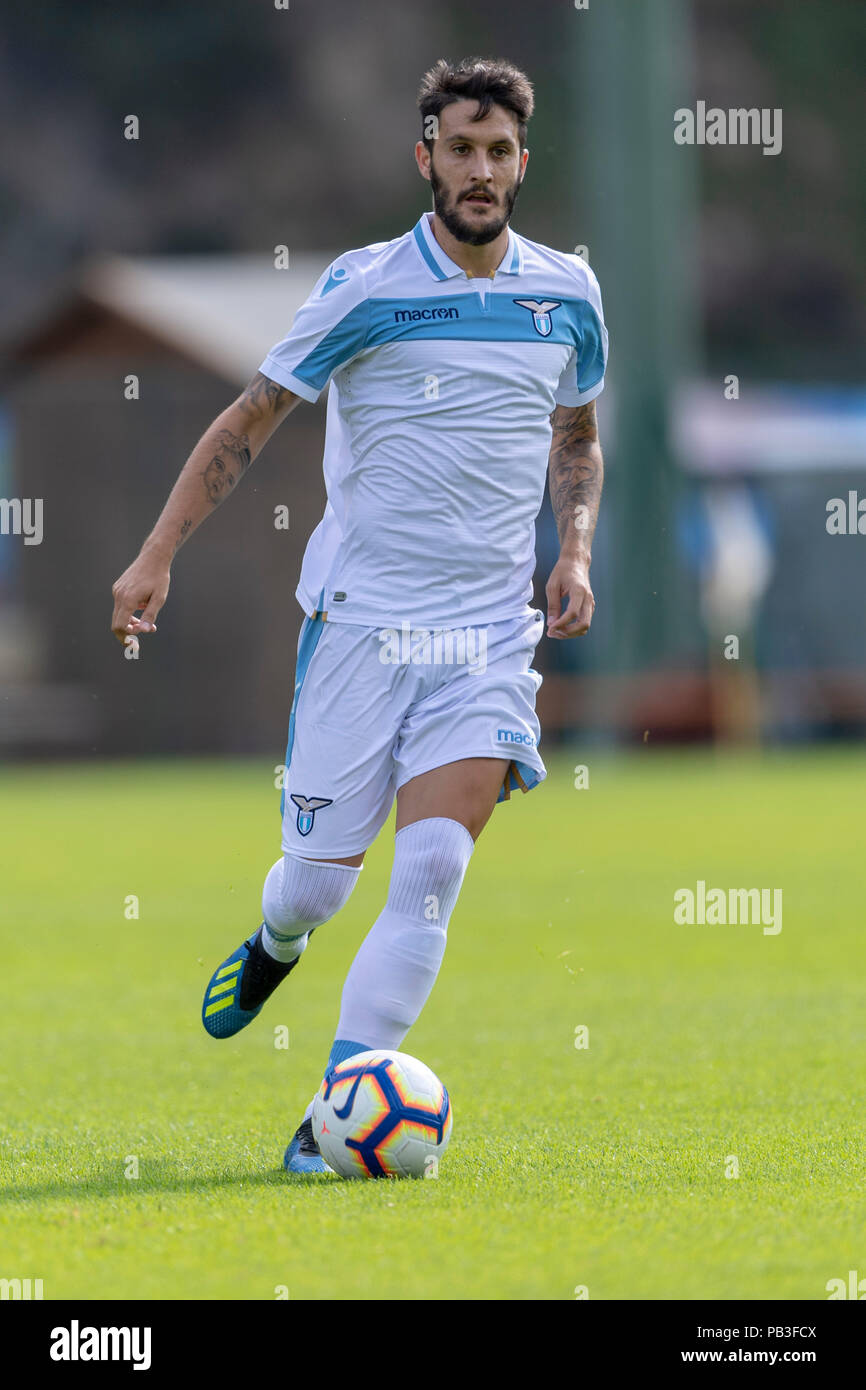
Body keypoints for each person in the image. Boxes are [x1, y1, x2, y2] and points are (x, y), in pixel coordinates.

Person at [110, 56, 608, 1173]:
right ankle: (278, 936)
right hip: (362, 627)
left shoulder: (567, 293)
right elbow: (251, 418)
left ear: (521, 163)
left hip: (485, 634)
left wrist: (570, 550)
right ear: (423, 156)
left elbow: (576, 438)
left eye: (497, 152)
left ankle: (328, 1114)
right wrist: (155, 556)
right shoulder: (365, 285)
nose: (478, 170)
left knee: (431, 869)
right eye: (457, 148)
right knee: (315, 885)